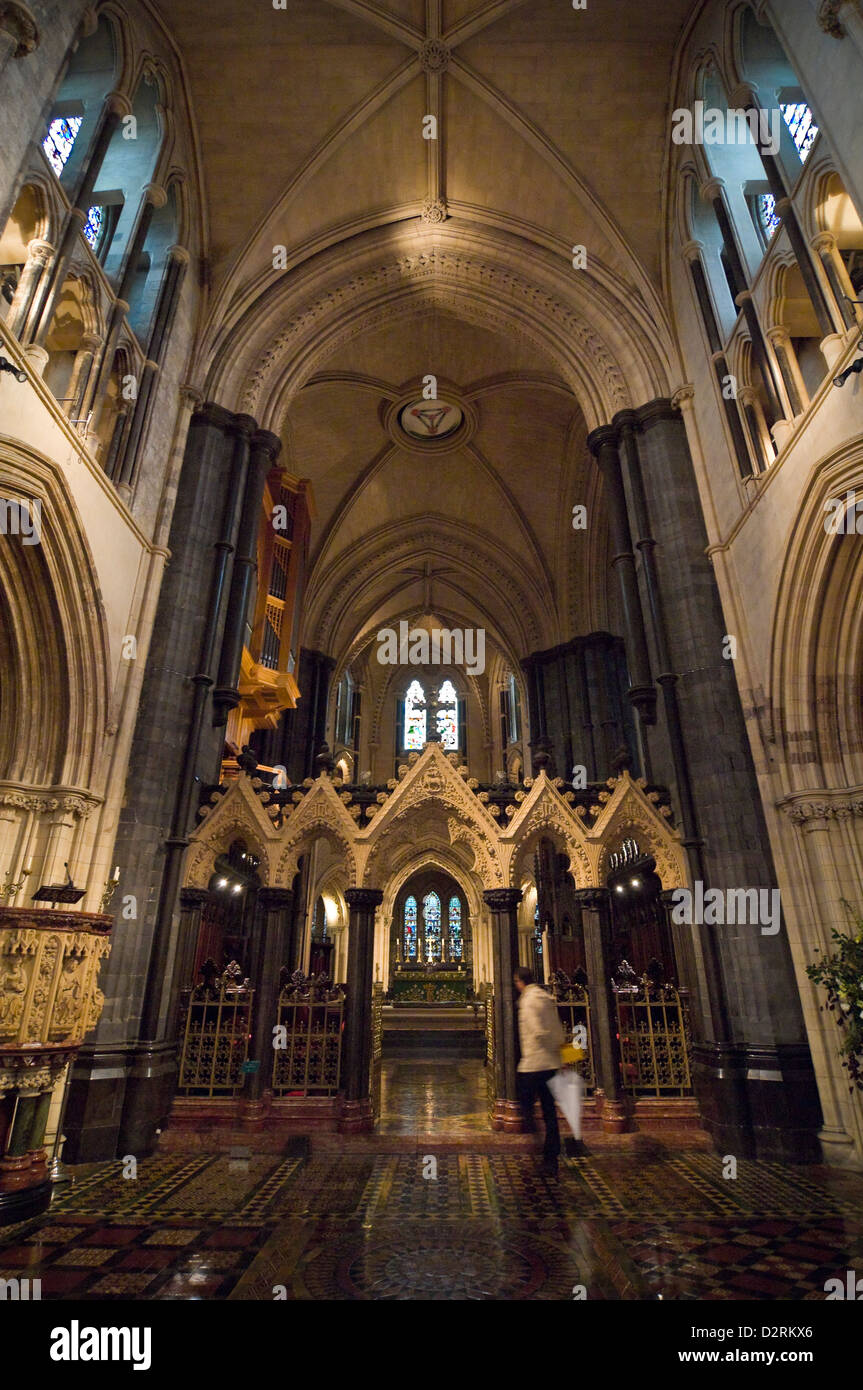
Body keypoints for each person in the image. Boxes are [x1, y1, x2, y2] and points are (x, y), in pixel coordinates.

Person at [514, 966, 565, 1177]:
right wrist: (560, 1054)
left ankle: (534, 1133)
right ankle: (551, 1157)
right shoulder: (546, 997)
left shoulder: (528, 1001)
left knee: (522, 1099)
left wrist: (540, 1042)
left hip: (535, 1063)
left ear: (519, 982)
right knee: (549, 1111)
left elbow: (538, 1031)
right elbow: (557, 1029)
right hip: (551, 1062)